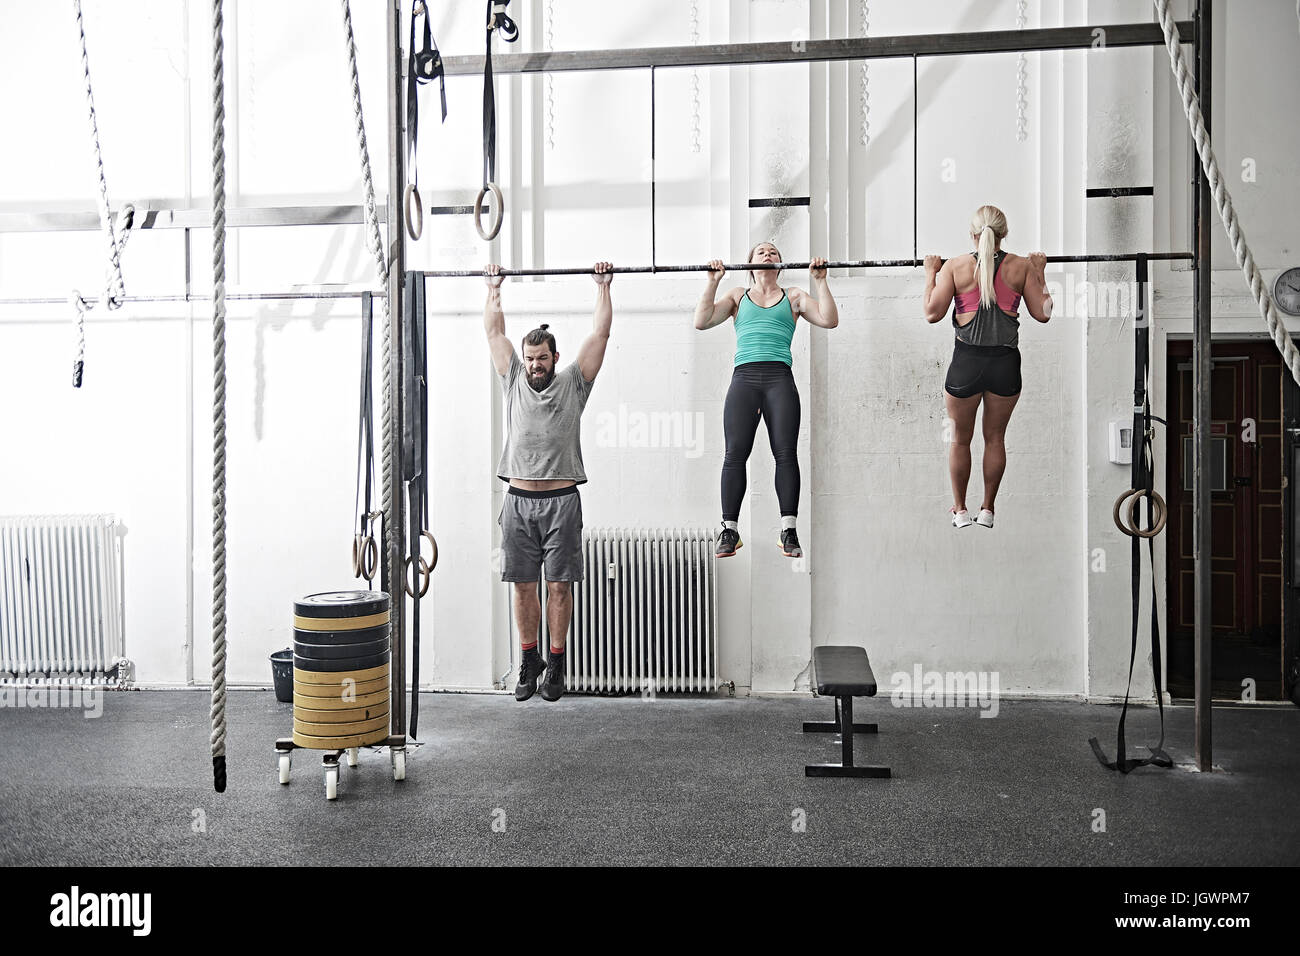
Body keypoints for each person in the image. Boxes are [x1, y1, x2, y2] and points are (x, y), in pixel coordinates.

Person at [484, 261, 613, 702]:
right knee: (522, 585)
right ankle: (529, 658)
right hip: (518, 500)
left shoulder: (574, 383)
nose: (535, 364)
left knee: (559, 586)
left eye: (542, 358)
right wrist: (493, 288)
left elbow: (600, 336)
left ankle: (555, 662)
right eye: (531, 357)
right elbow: (494, 334)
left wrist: (602, 286)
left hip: (561, 502)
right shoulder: (514, 380)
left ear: (555, 358)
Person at [695, 242, 838, 559]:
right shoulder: (737, 296)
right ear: (750, 265)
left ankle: (788, 530)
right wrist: (712, 281)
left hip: (779, 381)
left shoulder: (794, 297)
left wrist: (821, 280)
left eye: (773, 251)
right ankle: (729, 530)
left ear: (781, 264)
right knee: (735, 454)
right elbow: (702, 320)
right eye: (761, 251)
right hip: (744, 380)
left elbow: (829, 320)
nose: (768, 254)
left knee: (785, 454)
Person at [921, 205, 1053, 529]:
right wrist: (1039, 272)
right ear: (1004, 234)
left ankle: (961, 510)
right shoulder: (1021, 267)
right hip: (1005, 365)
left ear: (973, 233)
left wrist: (930, 274)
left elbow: (931, 313)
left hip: (967, 364)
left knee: (959, 440)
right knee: (995, 438)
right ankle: (988, 509)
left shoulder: (955, 267)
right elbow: (1044, 312)